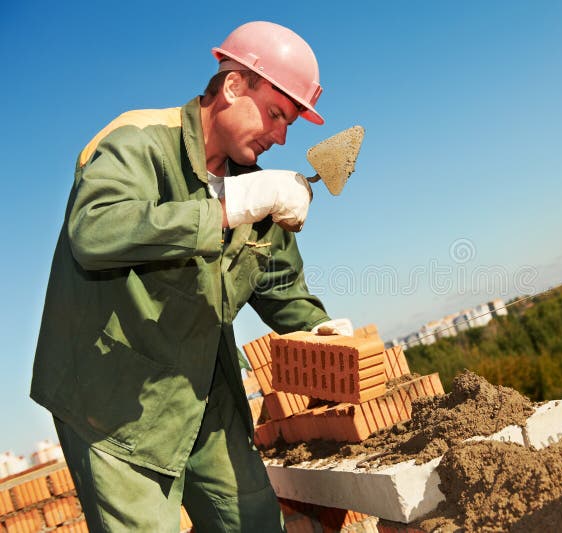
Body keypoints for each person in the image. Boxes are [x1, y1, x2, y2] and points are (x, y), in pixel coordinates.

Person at [30, 21, 351, 532]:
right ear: (232, 87)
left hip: (202, 387)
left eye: (289, 124)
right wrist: (227, 207)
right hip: (111, 398)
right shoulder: (137, 141)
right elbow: (93, 232)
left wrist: (321, 331)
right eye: (274, 114)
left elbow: (281, 288)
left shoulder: (254, 184)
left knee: (252, 522)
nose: (280, 136)